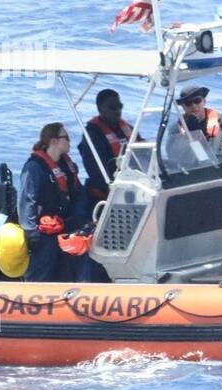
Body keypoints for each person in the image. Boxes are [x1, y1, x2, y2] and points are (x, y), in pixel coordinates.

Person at [19, 123, 90, 282]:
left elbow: (78, 193)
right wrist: (31, 232)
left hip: (64, 225)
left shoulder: (66, 165)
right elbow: (26, 200)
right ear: (54, 141)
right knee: (42, 268)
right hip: (44, 230)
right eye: (66, 138)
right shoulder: (35, 167)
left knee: (78, 261)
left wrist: (81, 219)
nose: (69, 142)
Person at [80, 88, 137, 206]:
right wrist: (112, 187)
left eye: (120, 106)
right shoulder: (93, 134)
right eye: (112, 107)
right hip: (107, 191)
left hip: (133, 183)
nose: (117, 111)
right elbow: (94, 168)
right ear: (100, 108)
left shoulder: (128, 128)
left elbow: (144, 153)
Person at [176, 84, 222, 153]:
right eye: (188, 103)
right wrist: (192, 133)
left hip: (218, 158)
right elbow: (172, 151)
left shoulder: (218, 118)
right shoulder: (179, 125)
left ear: (204, 102)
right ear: (183, 106)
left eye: (197, 101)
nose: (193, 106)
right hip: (192, 160)